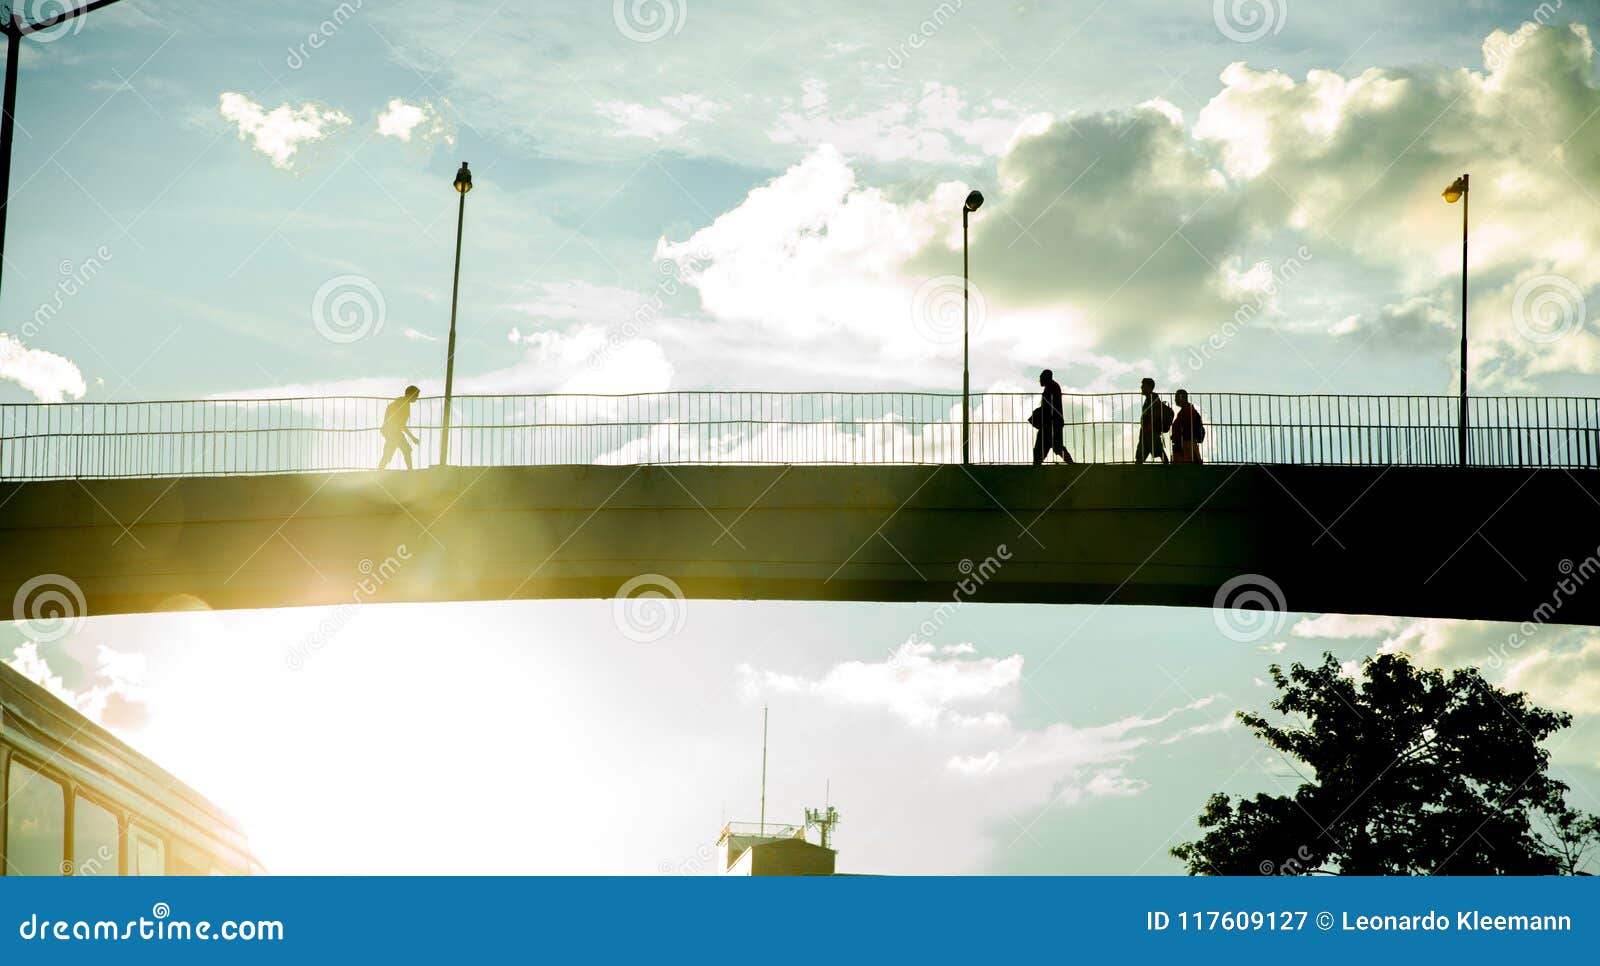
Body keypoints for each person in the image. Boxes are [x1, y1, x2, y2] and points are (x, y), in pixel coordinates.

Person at [1032, 369, 1075, 465]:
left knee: (1042, 446)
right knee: (1055, 446)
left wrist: (1037, 414)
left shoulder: (1051, 387)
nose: (1040, 380)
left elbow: (1048, 407)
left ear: (1046, 378)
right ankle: (1071, 464)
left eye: (1041, 377)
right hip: (1053, 422)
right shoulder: (1053, 386)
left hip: (1050, 423)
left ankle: (1035, 467)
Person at [379, 385, 422, 469]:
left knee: (389, 453)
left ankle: (379, 470)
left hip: (390, 431)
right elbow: (401, 424)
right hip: (393, 431)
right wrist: (412, 438)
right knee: (406, 450)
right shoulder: (404, 404)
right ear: (411, 395)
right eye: (416, 396)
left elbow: (399, 423)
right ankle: (410, 471)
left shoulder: (401, 401)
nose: (417, 398)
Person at [1135, 377, 1170, 465]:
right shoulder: (1151, 399)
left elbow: (1156, 414)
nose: (1141, 387)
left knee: (1157, 450)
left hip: (1150, 432)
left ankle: (1169, 469)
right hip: (1147, 432)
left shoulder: (1153, 400)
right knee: (1142, 455)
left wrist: (1149, 426)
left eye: (1143, 385)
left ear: (1149, 387)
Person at [1170, 389, 1205, 464]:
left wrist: (1177, 436)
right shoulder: (1188, 410)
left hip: (1185, 446)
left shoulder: (1188, 411)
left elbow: (1186, 428)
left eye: (1176, 398)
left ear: (1181, 397)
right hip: (1185, 444)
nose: (1175, 400)